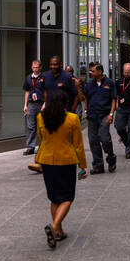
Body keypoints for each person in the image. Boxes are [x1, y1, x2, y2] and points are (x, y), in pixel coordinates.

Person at [36, 91, 88, 249]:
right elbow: (78, 144)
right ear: (66, 103)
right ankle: (54, 226)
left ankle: (58, 231)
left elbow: (41, 137)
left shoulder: (41, 117)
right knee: (67, 197)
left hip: (47, 160)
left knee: (54, 197)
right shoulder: (72, 119)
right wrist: (83, 166)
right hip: (66, 161)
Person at [83, 62, 117, 173]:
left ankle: (111, 158)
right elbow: (86, 97)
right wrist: (86, 109)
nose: (90, 73)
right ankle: (98, 165)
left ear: (100, 71)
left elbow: (113, 99)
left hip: (104, 115)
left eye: (93, 71)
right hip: (92, 116)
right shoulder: (89, 84)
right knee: (93, 140)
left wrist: (111, 114)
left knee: (104, 138)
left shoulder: (109, 83)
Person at [22, 59, 45, 155]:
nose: (35, 69)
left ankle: (42, 147)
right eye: (33, 67)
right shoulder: (28, 78)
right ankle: (30, 147)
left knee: (42, 126)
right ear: (31, 67)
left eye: (37, 67)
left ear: (40, 67)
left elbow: (46, 91)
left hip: (41, 103)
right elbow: (27, 91)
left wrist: (45, 103)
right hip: (31, 104)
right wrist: (25, 104)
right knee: (31, 126)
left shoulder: (44, 78)